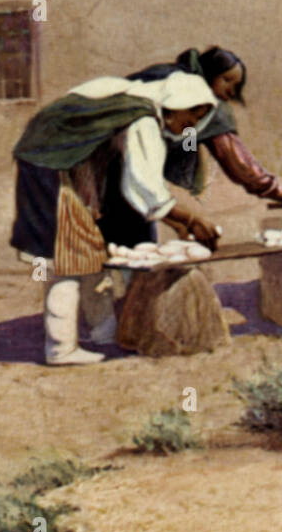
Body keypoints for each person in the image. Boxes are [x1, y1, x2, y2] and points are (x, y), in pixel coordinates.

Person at [11, 70, 219, 366]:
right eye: (190, 118)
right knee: (64, 261)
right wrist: (189, 219)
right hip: (50, 168)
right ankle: (60, 349)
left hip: (57, 163)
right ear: (175, 105)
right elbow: (144, 185)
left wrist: (176, 222)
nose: (188, 127)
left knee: (88, 254)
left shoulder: (129, 95)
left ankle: (104, 332)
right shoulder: (142, 118)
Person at [126, 46, 282, 213]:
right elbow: (240, 165)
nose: (231, 92)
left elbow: (188, 139)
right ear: (210, 72)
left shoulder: (184, 94)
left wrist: (189, 156)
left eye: (236, 86)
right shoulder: (204, 106)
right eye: (226, 80)